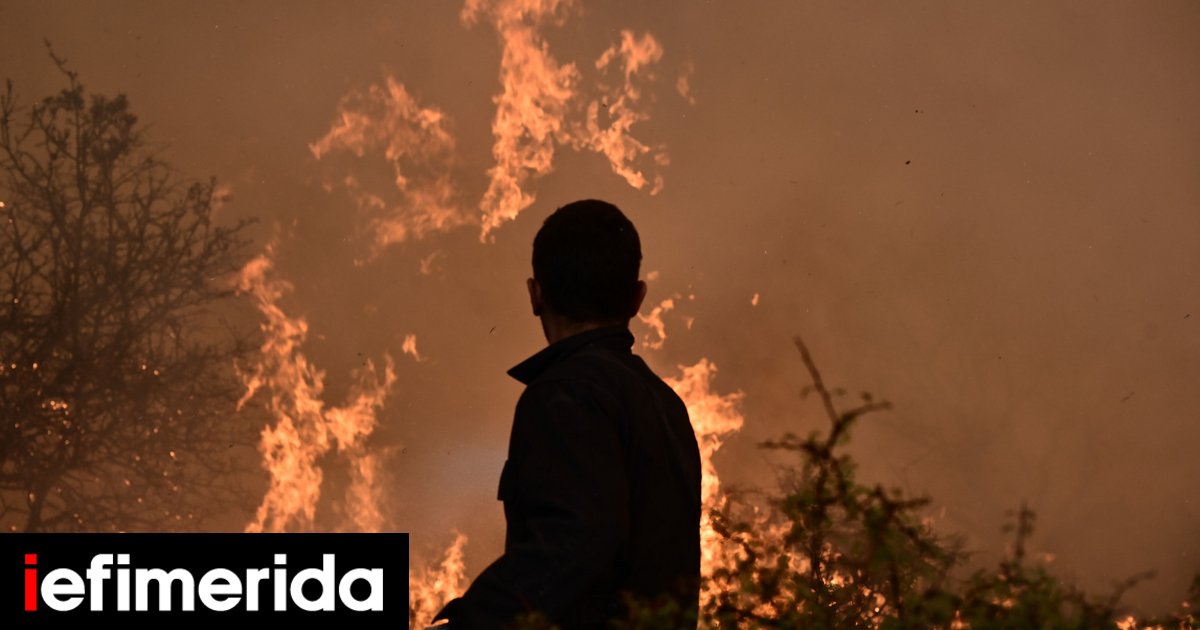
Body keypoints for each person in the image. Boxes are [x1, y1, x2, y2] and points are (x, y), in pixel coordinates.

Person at [433, 199, 702, 629]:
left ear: (535, 294)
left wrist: (473, 622)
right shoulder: (664, 402)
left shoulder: (565, 393)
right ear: (637, 298)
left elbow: (572, 543)